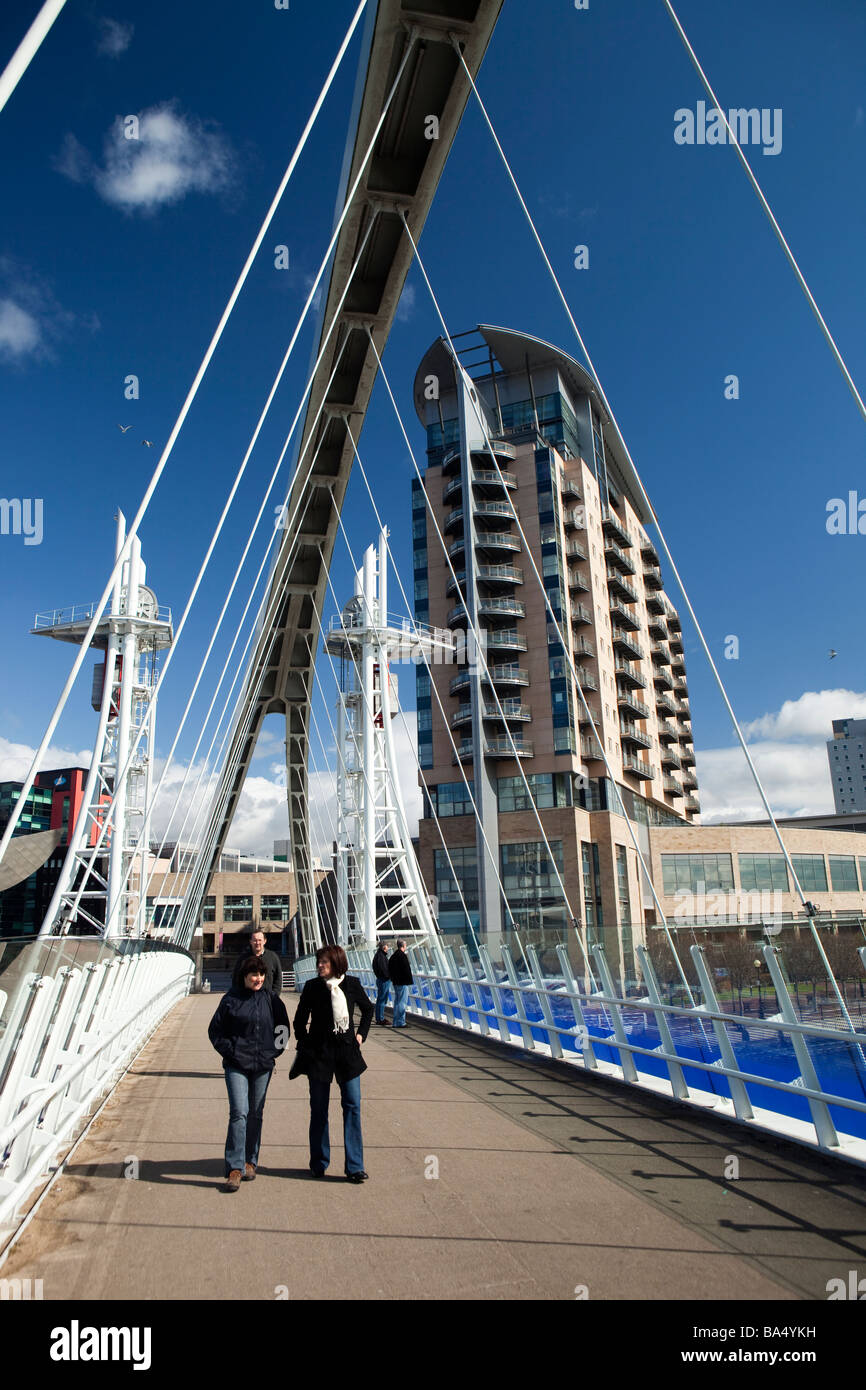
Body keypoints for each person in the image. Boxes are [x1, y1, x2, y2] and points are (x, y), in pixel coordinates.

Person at [292, 944, 374, 1182]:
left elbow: (368, 1010)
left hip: (348, 1055)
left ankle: (355, 1167)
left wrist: (361, 1036)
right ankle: (318, 1162)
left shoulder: (352, 985)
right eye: (319, 962)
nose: (319, 966)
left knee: (352, 1106)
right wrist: (305, 1043)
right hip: (320, 1056)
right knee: (318, 1110)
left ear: (336, 963)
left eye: (324, 962)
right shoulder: (312, 987)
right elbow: (299, 1020)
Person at [208, 956, 290, 1192]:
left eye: (261, 975)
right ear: (244, 976)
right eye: (254, 975)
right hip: (237, 1064)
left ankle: (249, 1160)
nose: (259, 979)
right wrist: (230, 1051)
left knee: (255, 1113)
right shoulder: (230, 1000)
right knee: (239, 1112)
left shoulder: (272, 1000)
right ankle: (234, 1168)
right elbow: (215, 1031)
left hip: (263, 1064)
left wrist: (275, 1052)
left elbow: (284, 1028)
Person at [232, 927, 282, 994]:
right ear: (250, 942)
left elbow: (278, 980)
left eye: (259, 940)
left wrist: (273, 997)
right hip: (246, 1000)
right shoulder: (243, 959)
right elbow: (236, 979)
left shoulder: (273, 957)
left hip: (267, 999)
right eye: (255, 940)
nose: (257, 943)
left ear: (265, 941)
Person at [388, 938, 413, 1029]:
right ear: (403, 946)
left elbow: (389, 968)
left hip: (396, 982)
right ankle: (400, 1022)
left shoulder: (393, 956)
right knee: (402, 1002)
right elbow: (406, 969)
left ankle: (396, 1021)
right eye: (405, 945)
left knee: (397, 1001)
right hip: (402, 982)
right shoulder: (402, 956)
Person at [371, 939, 391, 1024]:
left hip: (381, 979)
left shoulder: (379, 955)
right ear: (384, 947)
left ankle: (379, 1018)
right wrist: (388, 976)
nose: (388, 947)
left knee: (381, 999)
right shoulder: (381, 956)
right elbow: (383, 969)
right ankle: (380, 1019)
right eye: (387, 946)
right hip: (383, 980)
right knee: (382, 1000)